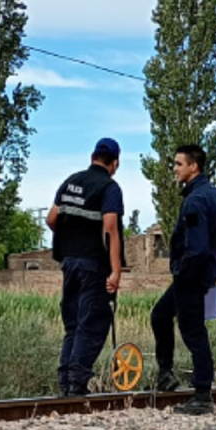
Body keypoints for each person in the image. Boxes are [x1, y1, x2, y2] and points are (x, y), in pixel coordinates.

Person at [151, 144, 216, 415]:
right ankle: (166, 374)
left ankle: (202, 394)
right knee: (160, 315)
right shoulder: (215, 196)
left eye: (178, 164)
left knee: (193, 331)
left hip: (192, 276)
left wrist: (182, 271)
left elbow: (197, 247)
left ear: (193, 166)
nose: (174, 169)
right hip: (201, 274)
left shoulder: (196, 200)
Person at [46, 138, 126, 397]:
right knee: (91, 323)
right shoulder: (109, 188)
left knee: (72, 324)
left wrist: (72, 236)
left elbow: (51, 219)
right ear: (114, 163)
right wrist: (116, 271)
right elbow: (110, 228)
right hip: (93, 265)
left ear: (92, 157)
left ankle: (65, 384)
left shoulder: (70, 182)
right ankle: (77, 384)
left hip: (69, 263)